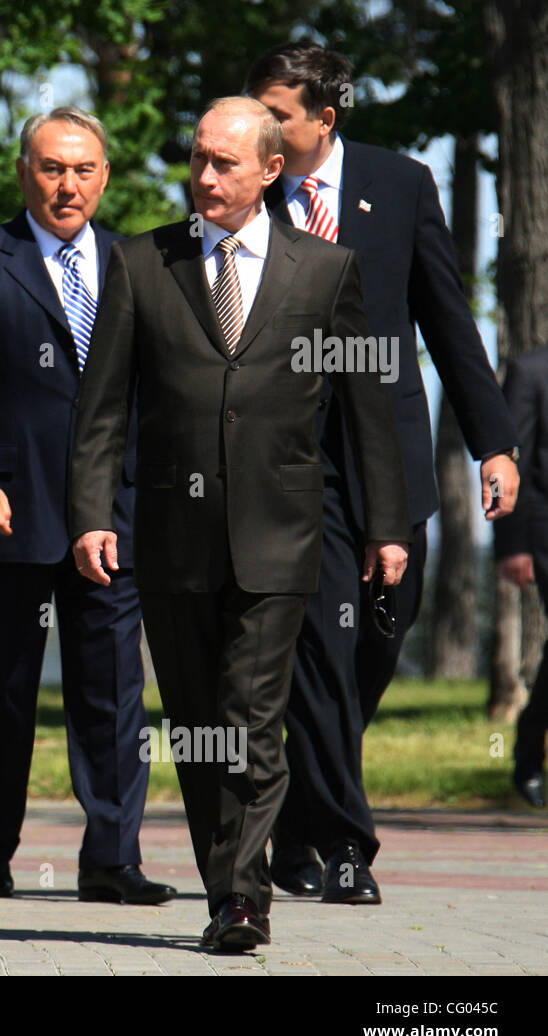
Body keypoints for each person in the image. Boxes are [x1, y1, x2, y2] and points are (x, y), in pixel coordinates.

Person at [69, 97, 411, 951]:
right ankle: (228, 885)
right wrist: (89, 514)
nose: (206, 175)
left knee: (251, 711)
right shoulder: (144, 263)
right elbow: (103, 408)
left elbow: (367, 411)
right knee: (196, 722)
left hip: (282, 533)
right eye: (198, 159)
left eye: (225, 162)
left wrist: (386, 526)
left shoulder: (324, 270)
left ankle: (243, 900)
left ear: (270, 171)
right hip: (170, 537)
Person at [245, 42, 519, 902]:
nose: (262, 128)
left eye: (278, 115)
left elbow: (446, 317)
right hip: (291, 463)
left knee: (377, 641)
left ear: (324, 120)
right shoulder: (243, 194)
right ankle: (349, 848)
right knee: (323, 649)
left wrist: (495, 442)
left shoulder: (399, 185)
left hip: (389, 458)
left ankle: (293, 828)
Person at [0, 107, 171, 904]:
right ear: (24, 171)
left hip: (113, 517)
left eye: (84, 169)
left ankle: (111, 860)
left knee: (113, 694)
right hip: (7, 513)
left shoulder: (139, 261)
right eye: (53, 168)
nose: (69, 184)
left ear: (105, 176)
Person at [493, 347, 548, 809]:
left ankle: (528, 748)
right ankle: (528, 754)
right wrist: (512, 545)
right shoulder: (530, 372)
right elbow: (512, 463)